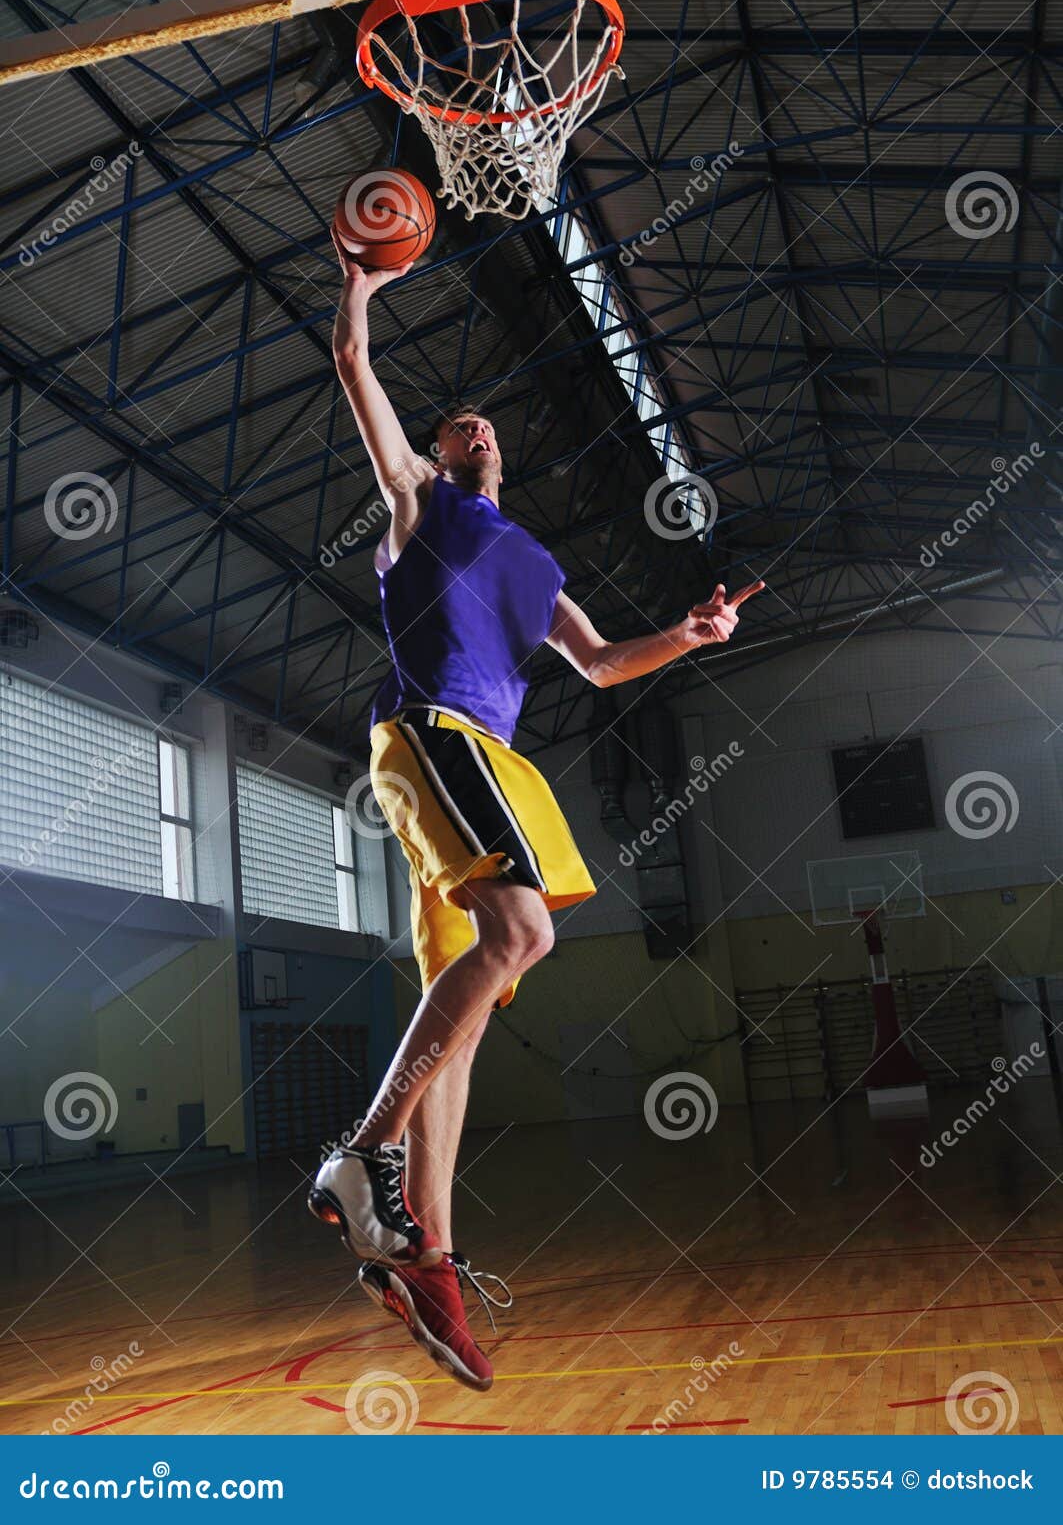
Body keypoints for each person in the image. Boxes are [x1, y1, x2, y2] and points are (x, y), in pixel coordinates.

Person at [310, 240, 765, 1391]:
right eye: (465, 426)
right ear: (441, 450)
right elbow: (353, 360)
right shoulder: (417, 504)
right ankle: (358, 1159)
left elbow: (606, 663)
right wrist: (361, 286)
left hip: (495, 765)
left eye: (490, 429)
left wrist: (690, 635)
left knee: (461, 1009)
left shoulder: (531, 558)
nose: (483, 433)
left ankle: (431, 1259)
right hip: (430, 734)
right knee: (525, 933)